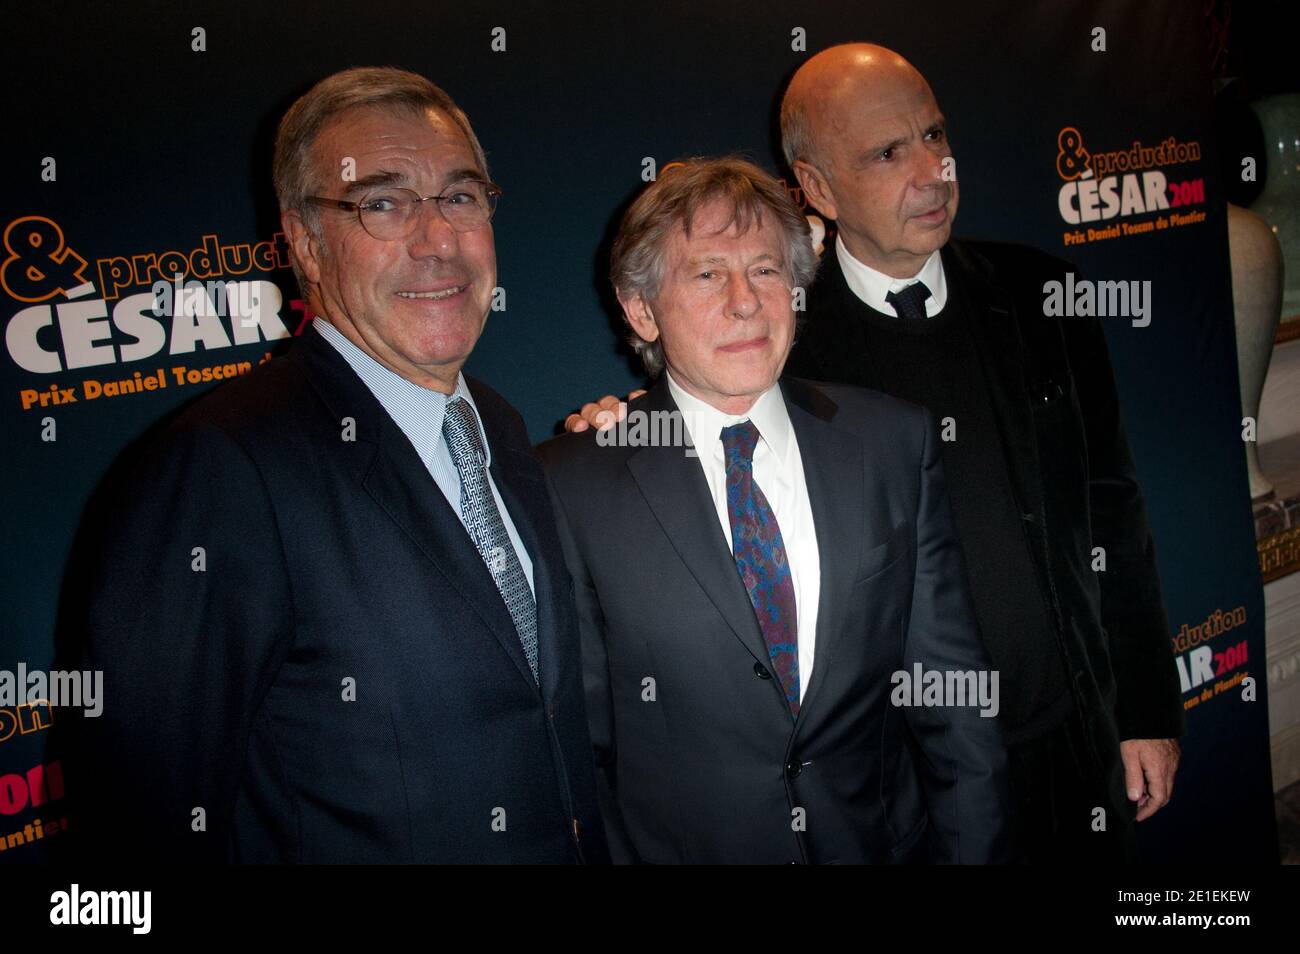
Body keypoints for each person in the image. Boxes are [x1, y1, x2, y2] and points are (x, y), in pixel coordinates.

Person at [568, 44, 1182, 862]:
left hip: (1076, 739)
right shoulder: (776, 337)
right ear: (816, 188)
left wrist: (1142, 708)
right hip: (908, 789)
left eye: (935, 135)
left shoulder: (1046, 298)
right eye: (890, 152)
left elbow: (1114, 507)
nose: (933, 170)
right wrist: (627, 430)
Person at [71, 67, 607, 863]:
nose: (438, 241)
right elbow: (136, 835)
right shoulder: (217, 469)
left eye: (460, 196)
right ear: (304, 245)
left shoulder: (494, 419)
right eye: (381, 203)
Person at [539, 157, 1010, 864]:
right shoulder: (573, 485)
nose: (744, 302)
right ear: (641, 310)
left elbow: (954, 700)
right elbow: (584, 751)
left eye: (764, 270)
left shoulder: (892, 444)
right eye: (705, 274)